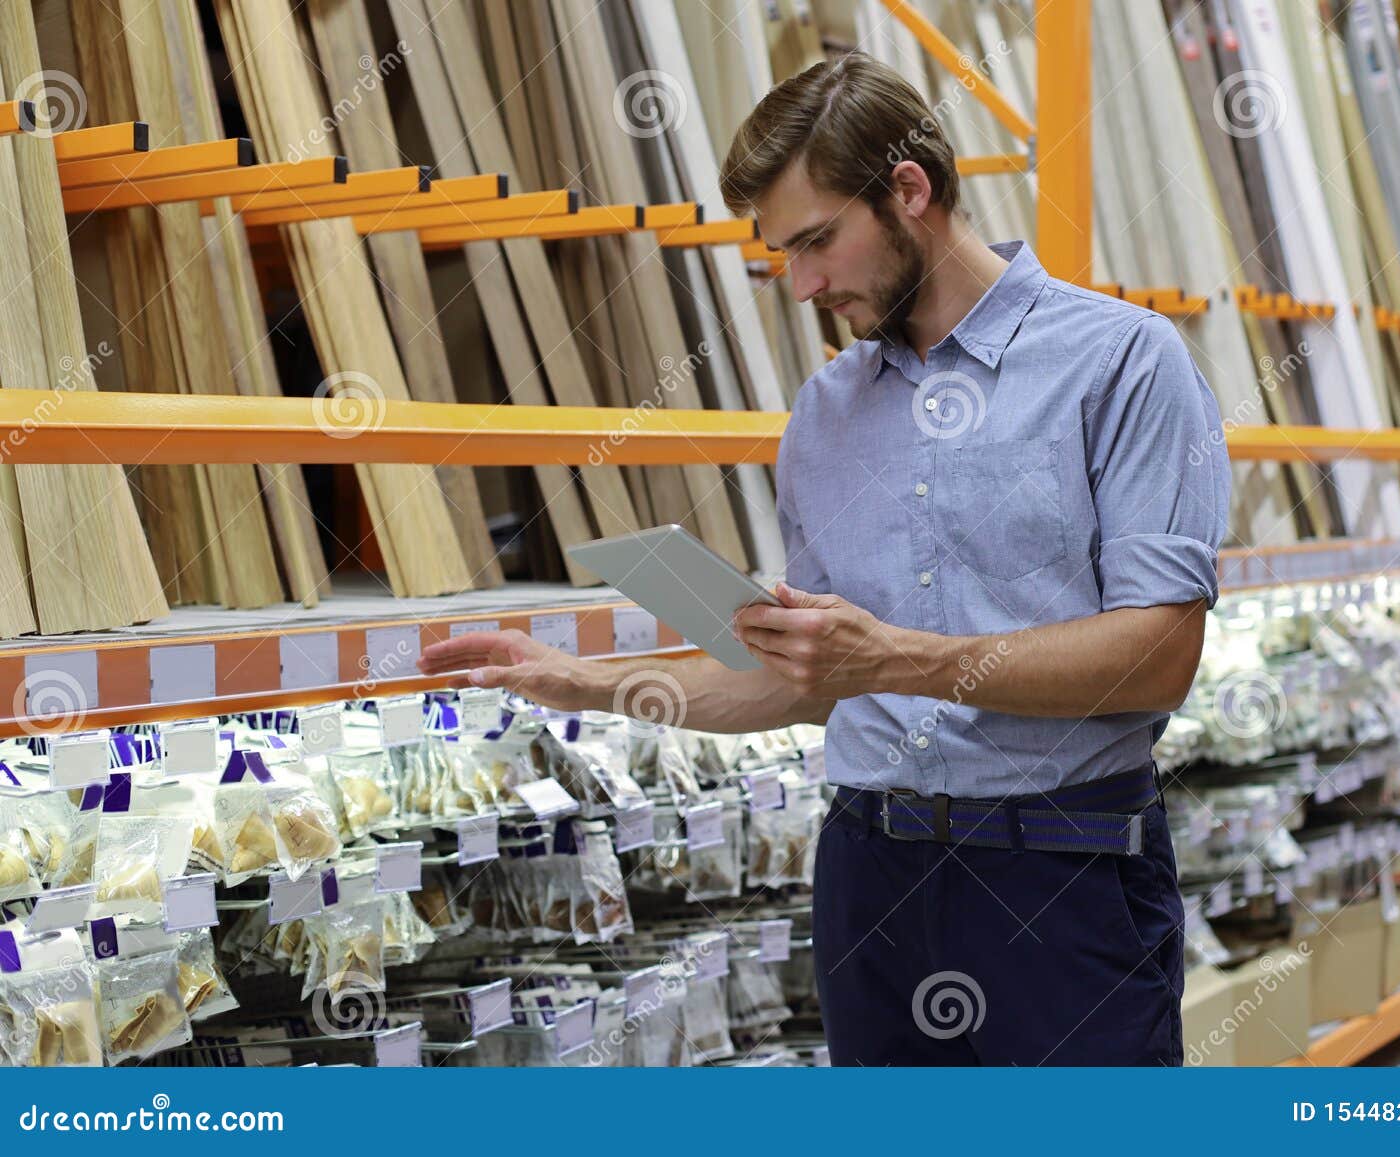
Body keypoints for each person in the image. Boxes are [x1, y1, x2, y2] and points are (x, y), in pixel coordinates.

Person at [420, 54, 1230, 1066]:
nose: (802, 285)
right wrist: (578, 681)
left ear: (909, 190)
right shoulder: (824, 413)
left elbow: (1157, 653)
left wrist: (892, 657)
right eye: (782, 256)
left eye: (816, 242)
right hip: (870, 873)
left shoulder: (1122, 360)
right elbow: (806, 681)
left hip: (1059, 871)